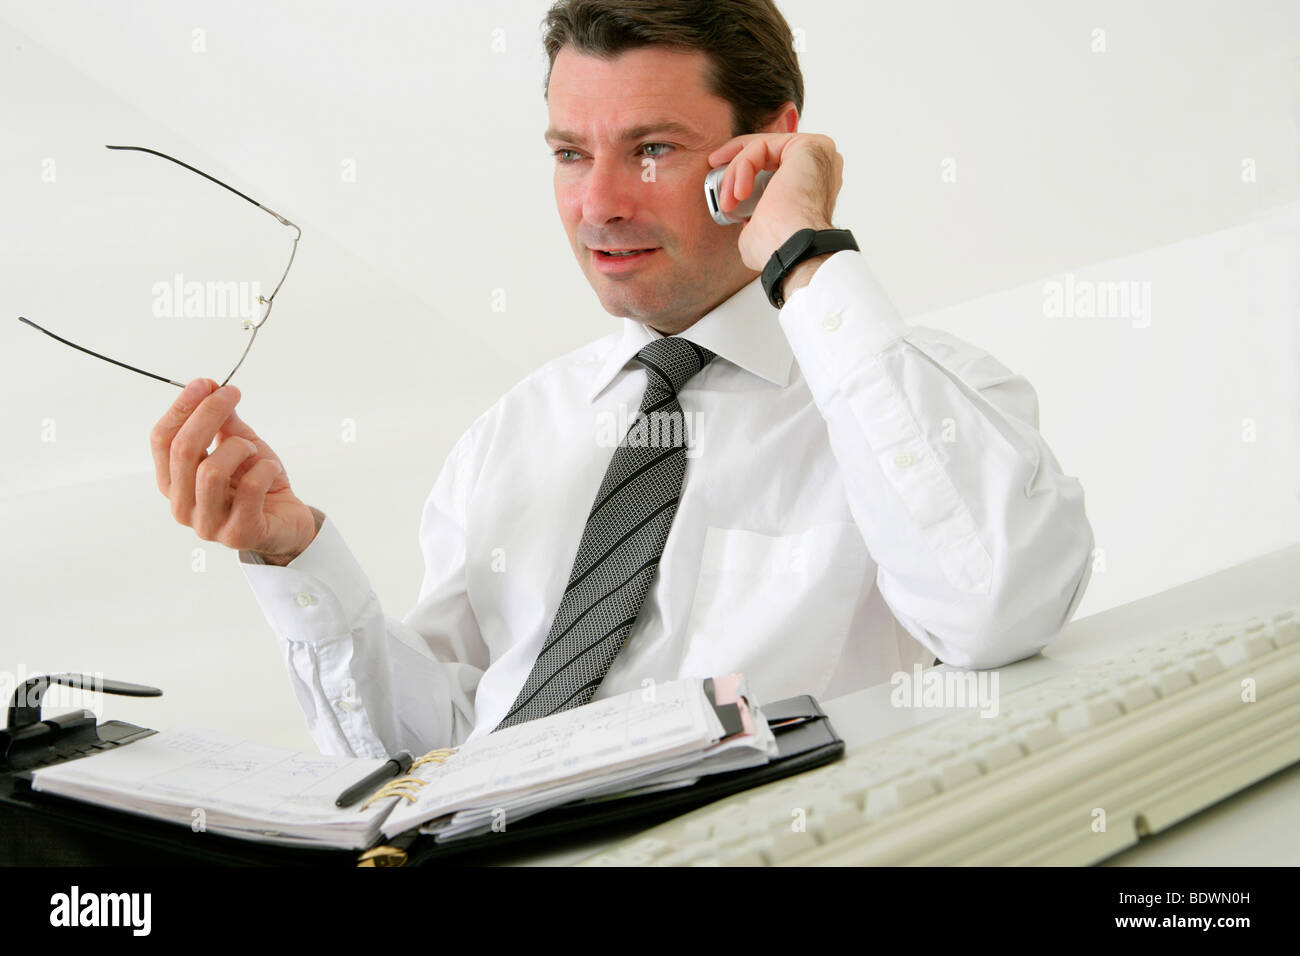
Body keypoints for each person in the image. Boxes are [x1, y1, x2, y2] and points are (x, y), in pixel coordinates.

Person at [149, 0, 1094, 757]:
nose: (598, 204)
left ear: (769, 142)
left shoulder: (914, 401)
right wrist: (291, 553)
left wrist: (803, 253)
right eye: (570, 153)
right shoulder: (509, 437)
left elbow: (1000, 610)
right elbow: (428, 757)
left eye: (652, 149)